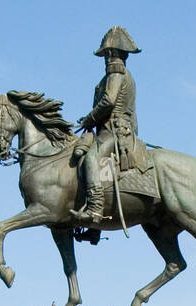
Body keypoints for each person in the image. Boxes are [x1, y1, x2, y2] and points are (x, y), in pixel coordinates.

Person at [70, 26, 145, 224]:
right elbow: (133, 113)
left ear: (111, 52)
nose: (105, 59)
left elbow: (109, 102)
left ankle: (95, 209)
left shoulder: (116, 73)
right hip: (119, 130)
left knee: (91, 159)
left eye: (105, 54)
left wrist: (89, 119)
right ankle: (93, 227)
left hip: (113, 131)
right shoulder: (126, 75)